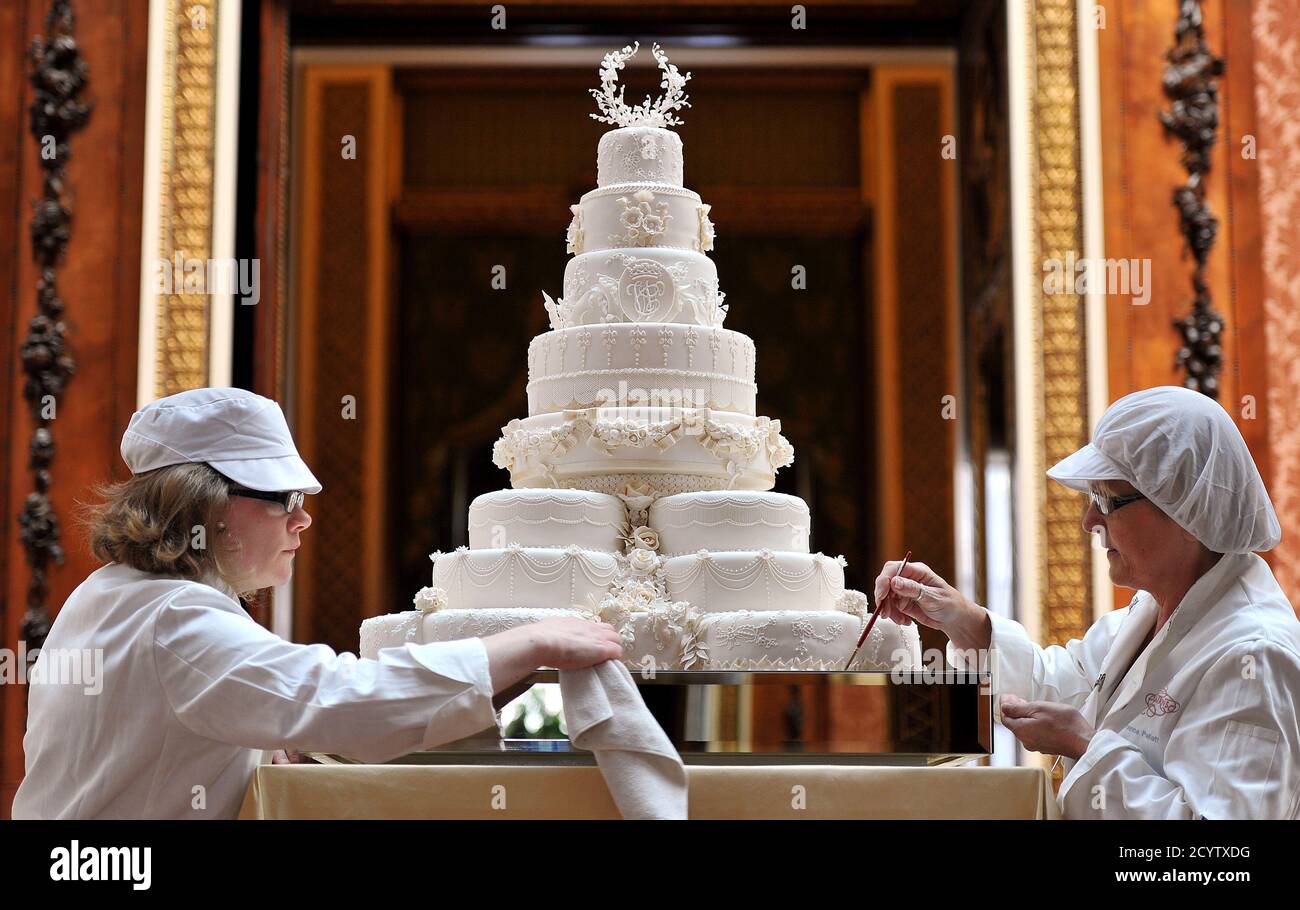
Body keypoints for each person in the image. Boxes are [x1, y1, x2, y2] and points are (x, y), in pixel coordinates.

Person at [12, 387, 622, 819]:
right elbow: (338, 696)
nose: (302, 519)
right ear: (204, 502)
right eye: (283, 497)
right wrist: (531, 642)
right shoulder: (176, 618)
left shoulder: (108, 594)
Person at [873, 386, 1300, 818]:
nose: (1089, 521)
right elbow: (1058, 688)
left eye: (1108, 501)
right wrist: (963, 621)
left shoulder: (1254, 656)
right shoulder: (1149, 612)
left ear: (1183, 510)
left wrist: (1084, 744)